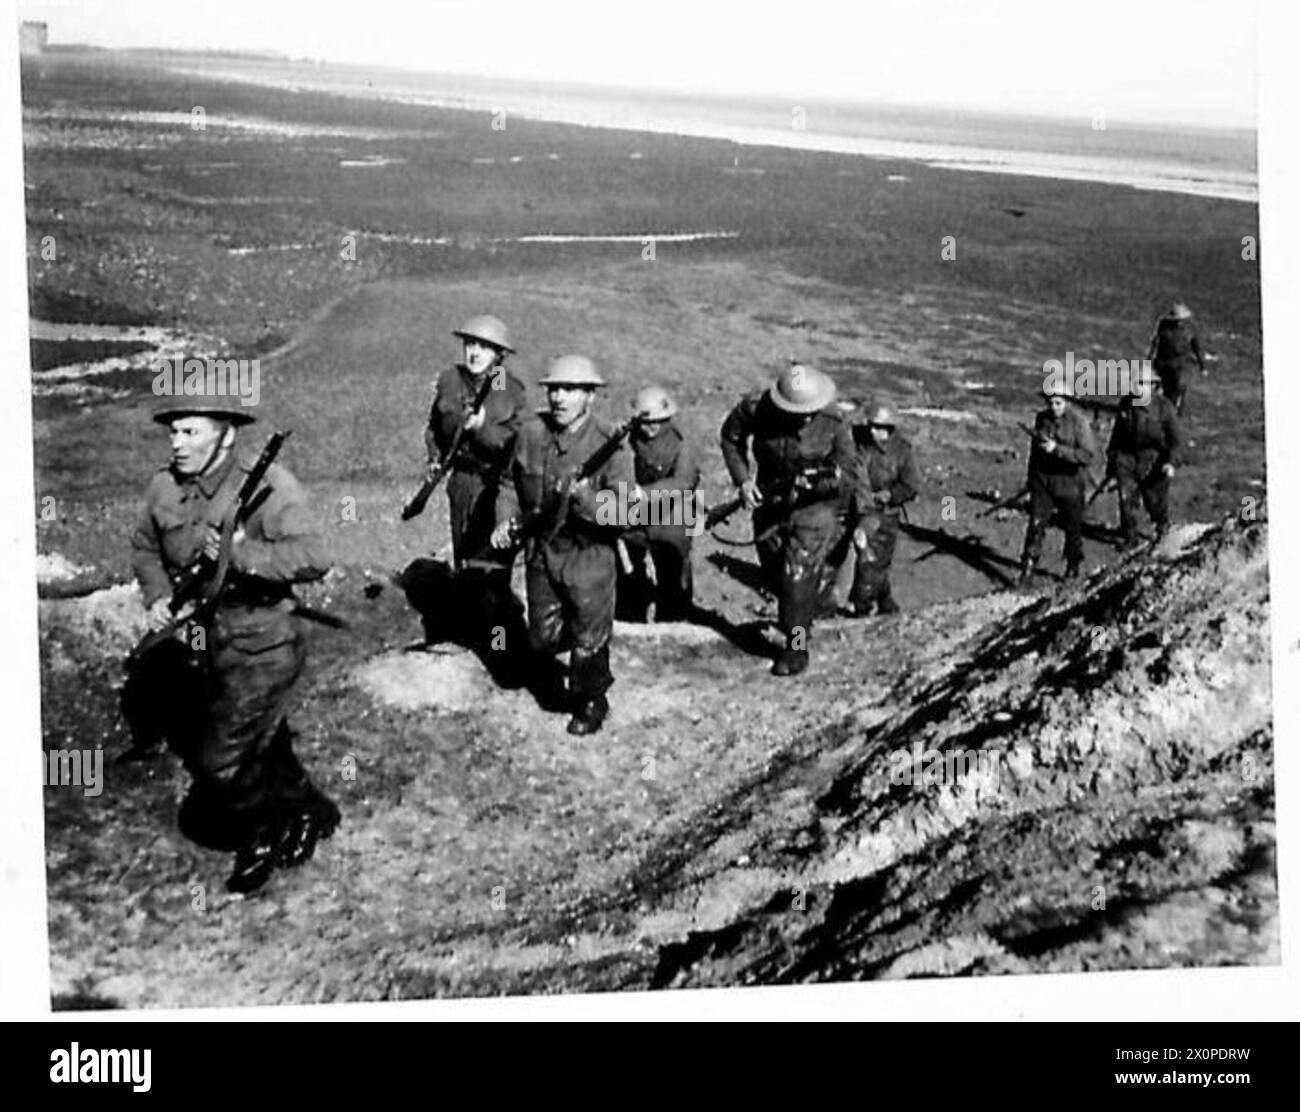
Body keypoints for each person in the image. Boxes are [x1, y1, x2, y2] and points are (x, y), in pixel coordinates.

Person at [125, 396, 337, 895]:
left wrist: (242, 552)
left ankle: (265, 830)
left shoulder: (269, 487)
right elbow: (145, 546)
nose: (177, 443)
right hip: (212, 638)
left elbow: (314, 556)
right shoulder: (165, 486)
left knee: (219, 762)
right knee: (257, 739)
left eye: (190, 432)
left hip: (265, 640)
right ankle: (308, 808)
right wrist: (157, 595)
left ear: (225, 435)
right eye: (173, 432)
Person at [491, 355, 633, 735]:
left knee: (588, 638)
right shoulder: (531, 432)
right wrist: (505, 520)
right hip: (542, 551)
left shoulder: (611, 445)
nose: (559, 397)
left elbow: (625, 513)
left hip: (588, 556)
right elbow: (508, 483)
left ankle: (591, 700)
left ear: (590, 395)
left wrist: (585, 498)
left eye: (570, 390)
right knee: (543, 636)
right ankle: (587, 642)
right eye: (554, 389)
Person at [719, 363, 853, 676]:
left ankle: (796, 648)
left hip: (814, 510)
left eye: (811, 411)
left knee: (797, 579)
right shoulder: (756, 409)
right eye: (797, 412)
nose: (806, 417)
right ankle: (803, 615)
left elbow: (846, 474)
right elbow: (730, 439)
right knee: (776, 576)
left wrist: (817, 484)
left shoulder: (835, 421)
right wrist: (743, 481)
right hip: (770, 504)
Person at [424, 314, 529, 671]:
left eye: (484, 346)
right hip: (461, 483)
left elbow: (515, 443)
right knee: (465, 558)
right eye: (470, 344)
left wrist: (483, 427)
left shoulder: (510, 390)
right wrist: (435, 459)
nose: (475, 352)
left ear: (499, 354)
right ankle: (471, 634)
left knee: (493, 568)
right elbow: (434, 427)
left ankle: (499, 643)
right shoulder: (450, 380)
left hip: (496, 486)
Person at [616, 386, 701, 622]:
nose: (652, 427)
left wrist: (645, 493)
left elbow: (683, 482)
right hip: (633, 511)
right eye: (646, 422)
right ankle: (630, 615)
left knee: (673, 571)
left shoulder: (682, 443)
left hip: (673, 512)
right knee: (625, 568)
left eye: (659, 421)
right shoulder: (625, 439)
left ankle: (674, 619)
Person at [1019, 380, 1097, 582]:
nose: (1053, 407)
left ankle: (1073, 566)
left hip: (1069, 483)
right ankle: (1028, 567)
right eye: (1050, 403)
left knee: (1072, 528)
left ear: (1068, 402)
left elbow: (1087, 455)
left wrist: (1058, 450)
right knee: (1035, 525)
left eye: (1058, 403)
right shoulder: (1042, 419)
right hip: (1044, 481)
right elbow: (1035, 452)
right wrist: (1031, 479)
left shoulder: (1079, 423)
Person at [847, 403, 919, 616]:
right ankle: (886, 603)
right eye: (871, 426)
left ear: (889, 428)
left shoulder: (902, 451)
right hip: (855, 508)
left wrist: (889, 495)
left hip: (884, 516)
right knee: (866, 563)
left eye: (879, 427)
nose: (873, 431)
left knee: (870, 567)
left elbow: (911, 486)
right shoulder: (857, 440)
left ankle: (862, 611)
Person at [1106, 362, 1181, 547]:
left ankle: (1163, 531)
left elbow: (1175, 440)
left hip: (1154, 459)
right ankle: (1130, 537)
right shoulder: (1127, 403)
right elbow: (1117, 434)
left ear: (1153, 386)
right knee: (1126, 500)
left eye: (1142, 383)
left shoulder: (1165, 408)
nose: (1137, 387)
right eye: (1135, 383)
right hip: (1128, 457)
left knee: (1154, 501)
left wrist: (1170, 463)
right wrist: (1112, 461)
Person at [1147, 300, 1206, 415]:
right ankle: (1171, 413)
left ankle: (1174, 411)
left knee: (1176, 389)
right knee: (1171, 391)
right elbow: (1195, 346)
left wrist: (1202, 365)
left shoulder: (1173, 328)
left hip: (1175, 365)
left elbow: (1195, 346)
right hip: (1169, 365)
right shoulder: (1166, 329)